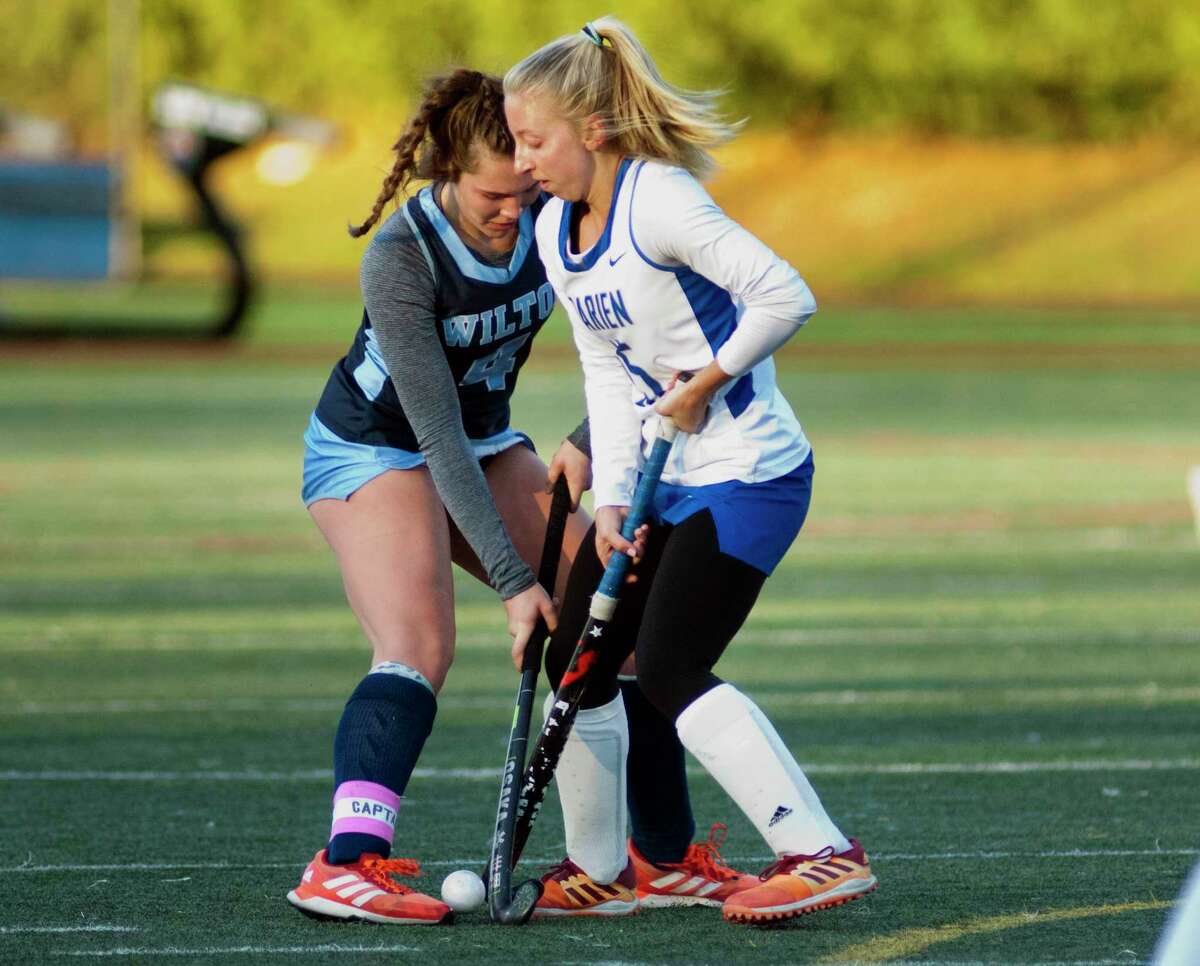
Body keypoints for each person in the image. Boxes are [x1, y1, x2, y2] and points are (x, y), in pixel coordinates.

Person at [285, 68, 752, 926]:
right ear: (445, 176)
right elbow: (431, 431)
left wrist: (585, 435)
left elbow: (654, 347)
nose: (513, 210)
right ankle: (347, 864)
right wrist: (512, 581)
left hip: (490, 442)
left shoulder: (558, 219)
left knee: (623, 619)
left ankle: (665, 857)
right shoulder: (400, 258)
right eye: (492, 195)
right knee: (418, 643)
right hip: (375, 445)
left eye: (525, 188)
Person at [504, 18, 878, 924]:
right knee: (578, 660)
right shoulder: (557, 229)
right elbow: (603, 367)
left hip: (749, 473)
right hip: (659, 477)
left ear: (593, 130)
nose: (522, 163)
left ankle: (820, 852)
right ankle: (600, 871)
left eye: (533, 140)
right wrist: (618, 497)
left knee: (669, 662)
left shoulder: (661, 200)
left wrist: (707, 382)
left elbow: (786, 294)